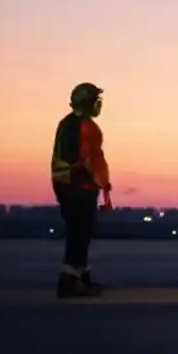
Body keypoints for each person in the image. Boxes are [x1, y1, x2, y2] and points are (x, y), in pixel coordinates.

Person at [50, 82, 113, 298]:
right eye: (96, 100)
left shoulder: (73, 124)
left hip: (77, 185)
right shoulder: (79, 126)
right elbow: (80, 158)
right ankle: (69, 282)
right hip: (76, 187)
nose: (99, 105)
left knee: (83, 233)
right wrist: (94, 177)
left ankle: (82, 278)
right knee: (79, 233)